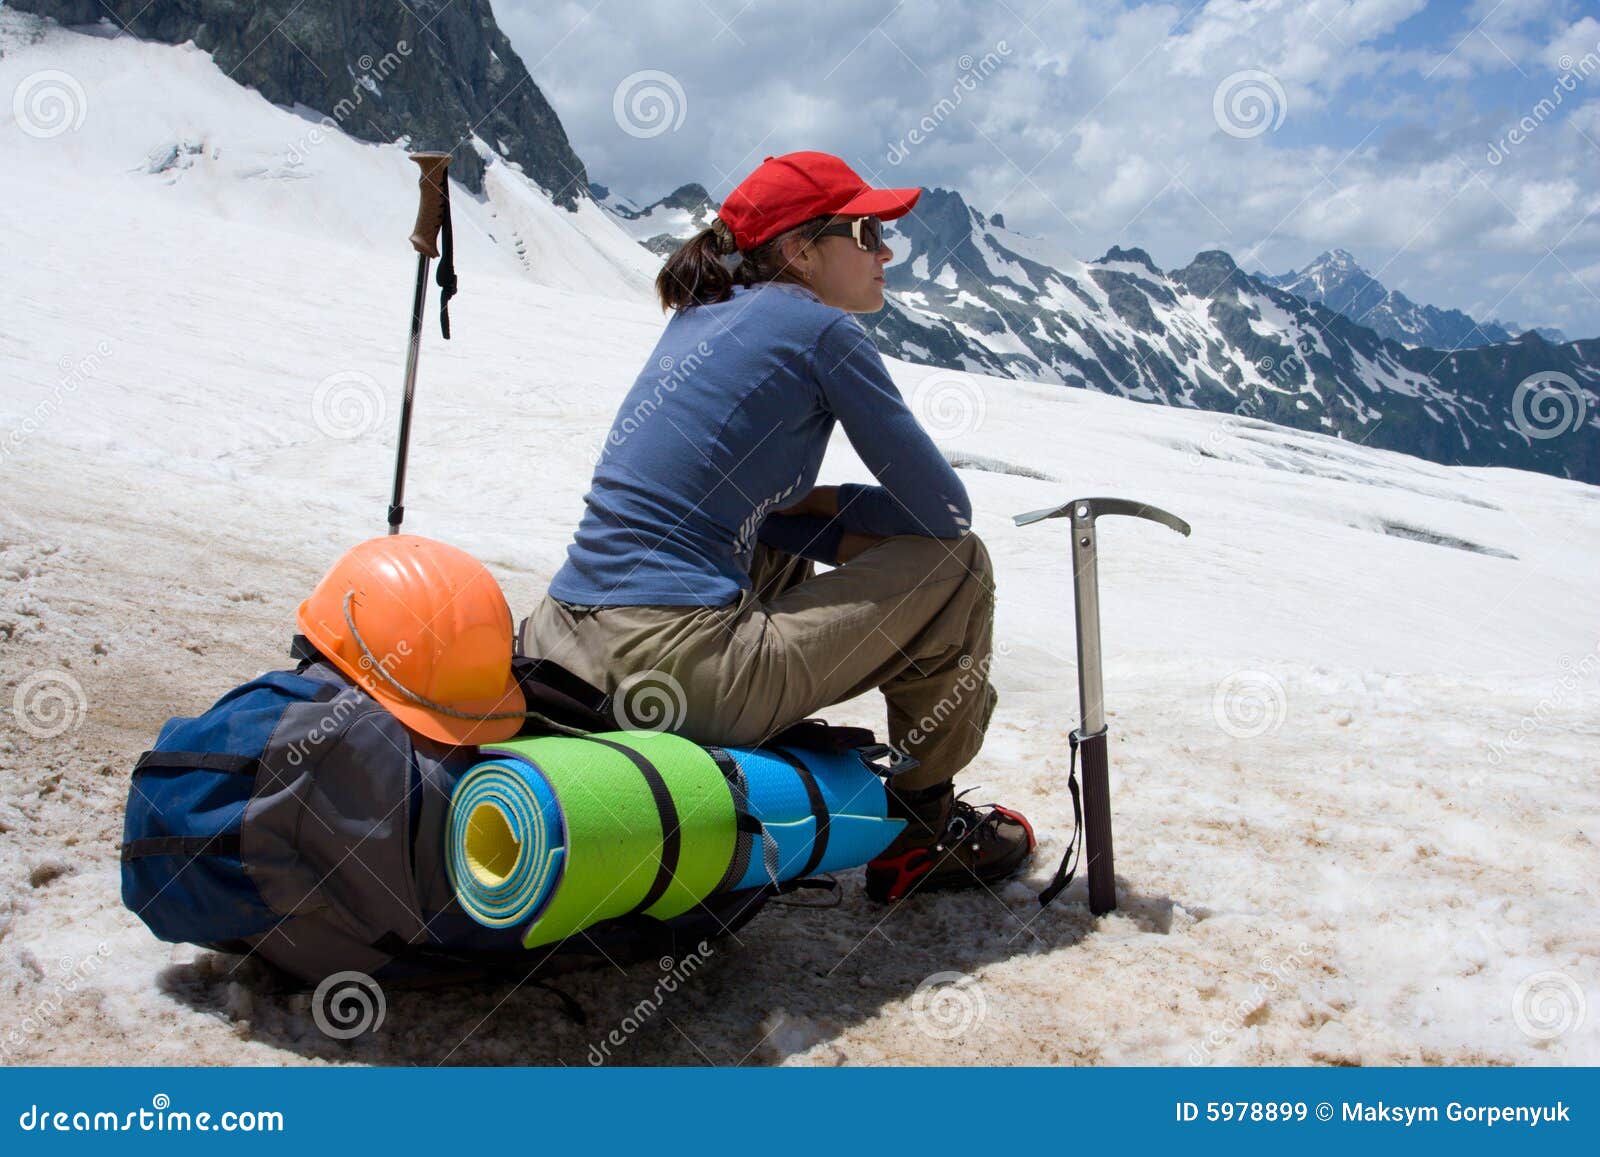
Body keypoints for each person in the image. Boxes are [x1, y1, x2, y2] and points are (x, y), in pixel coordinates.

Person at [519, 150, 1035, 903]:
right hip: (669, 664)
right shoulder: (819, 329)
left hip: (559, 648)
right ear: (799, 250)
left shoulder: (703, 318)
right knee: (956, 563)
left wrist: (809, 514)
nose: (885, 250)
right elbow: (946, 516)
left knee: (770, 527)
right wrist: (837, 515)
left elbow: (744, 512)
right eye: (864, 231)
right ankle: (924, 831)